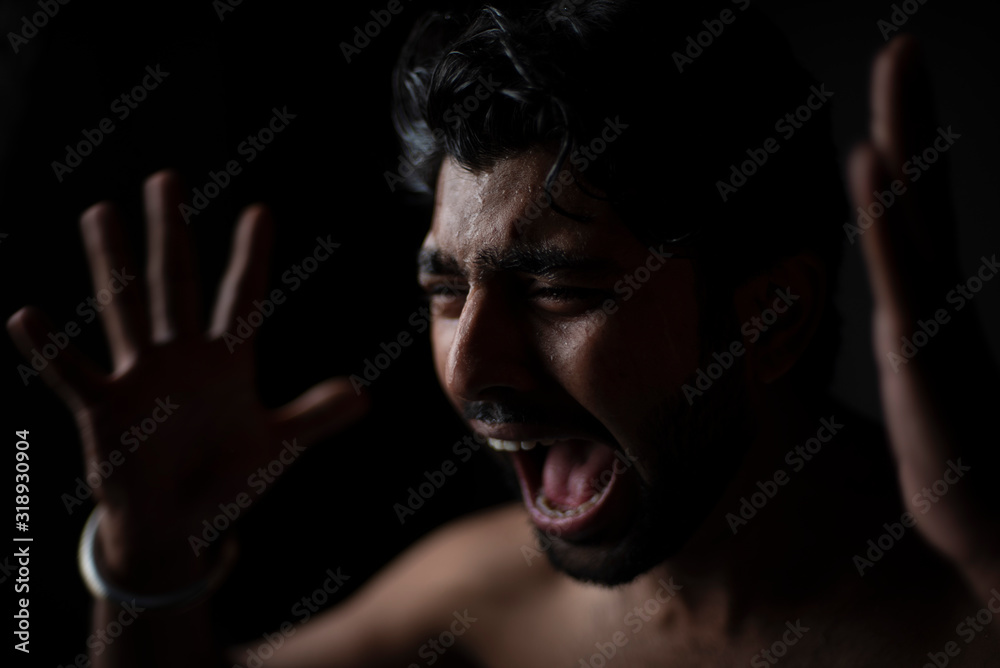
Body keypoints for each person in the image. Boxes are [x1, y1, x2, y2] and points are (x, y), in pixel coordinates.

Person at [7, 1, 999, 665]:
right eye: (445, 290)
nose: (470, 364)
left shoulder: (961, 605)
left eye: (560, 289)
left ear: (771, 314)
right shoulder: (483, 593)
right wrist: (151, 561)